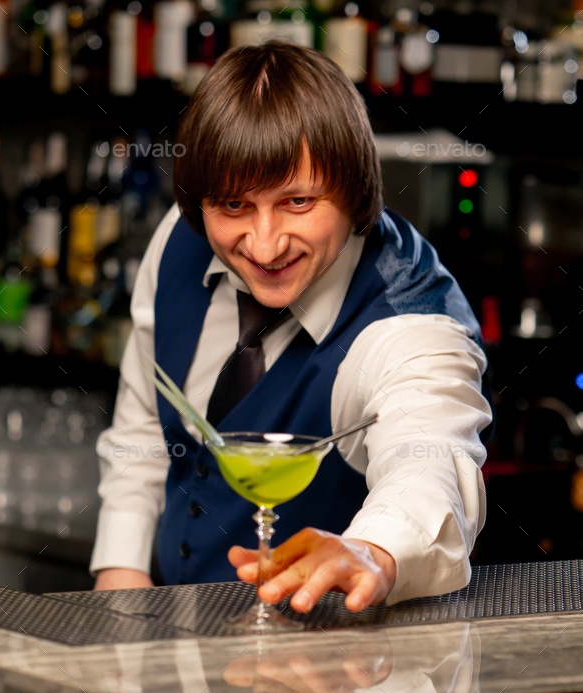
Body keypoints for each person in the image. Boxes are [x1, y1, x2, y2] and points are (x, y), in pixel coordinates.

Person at [90, 40, 494, 613]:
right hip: (180, 643)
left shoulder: (413, 320)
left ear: (353, 189)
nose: (263, 244)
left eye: (298, 201)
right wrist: (121, 571)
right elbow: (143, 426)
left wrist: (374, 550)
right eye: (233, 206)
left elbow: (428, 458)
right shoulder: (177, 240)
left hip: (345, 666)